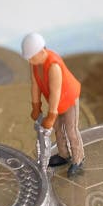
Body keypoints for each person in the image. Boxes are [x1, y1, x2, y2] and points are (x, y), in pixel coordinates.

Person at [21, 32, 85, 177]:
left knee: (71, 130)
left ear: (41, 51)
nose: (30, 60)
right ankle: (64, 154)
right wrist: (36, 106)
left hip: (68, 99)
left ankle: (78, 159)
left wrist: (51, 115)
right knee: (58, 129)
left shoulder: (53, 66)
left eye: (32, 57)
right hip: (55, 103)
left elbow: (56, 92)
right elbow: (35, 85)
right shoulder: (34, 63)